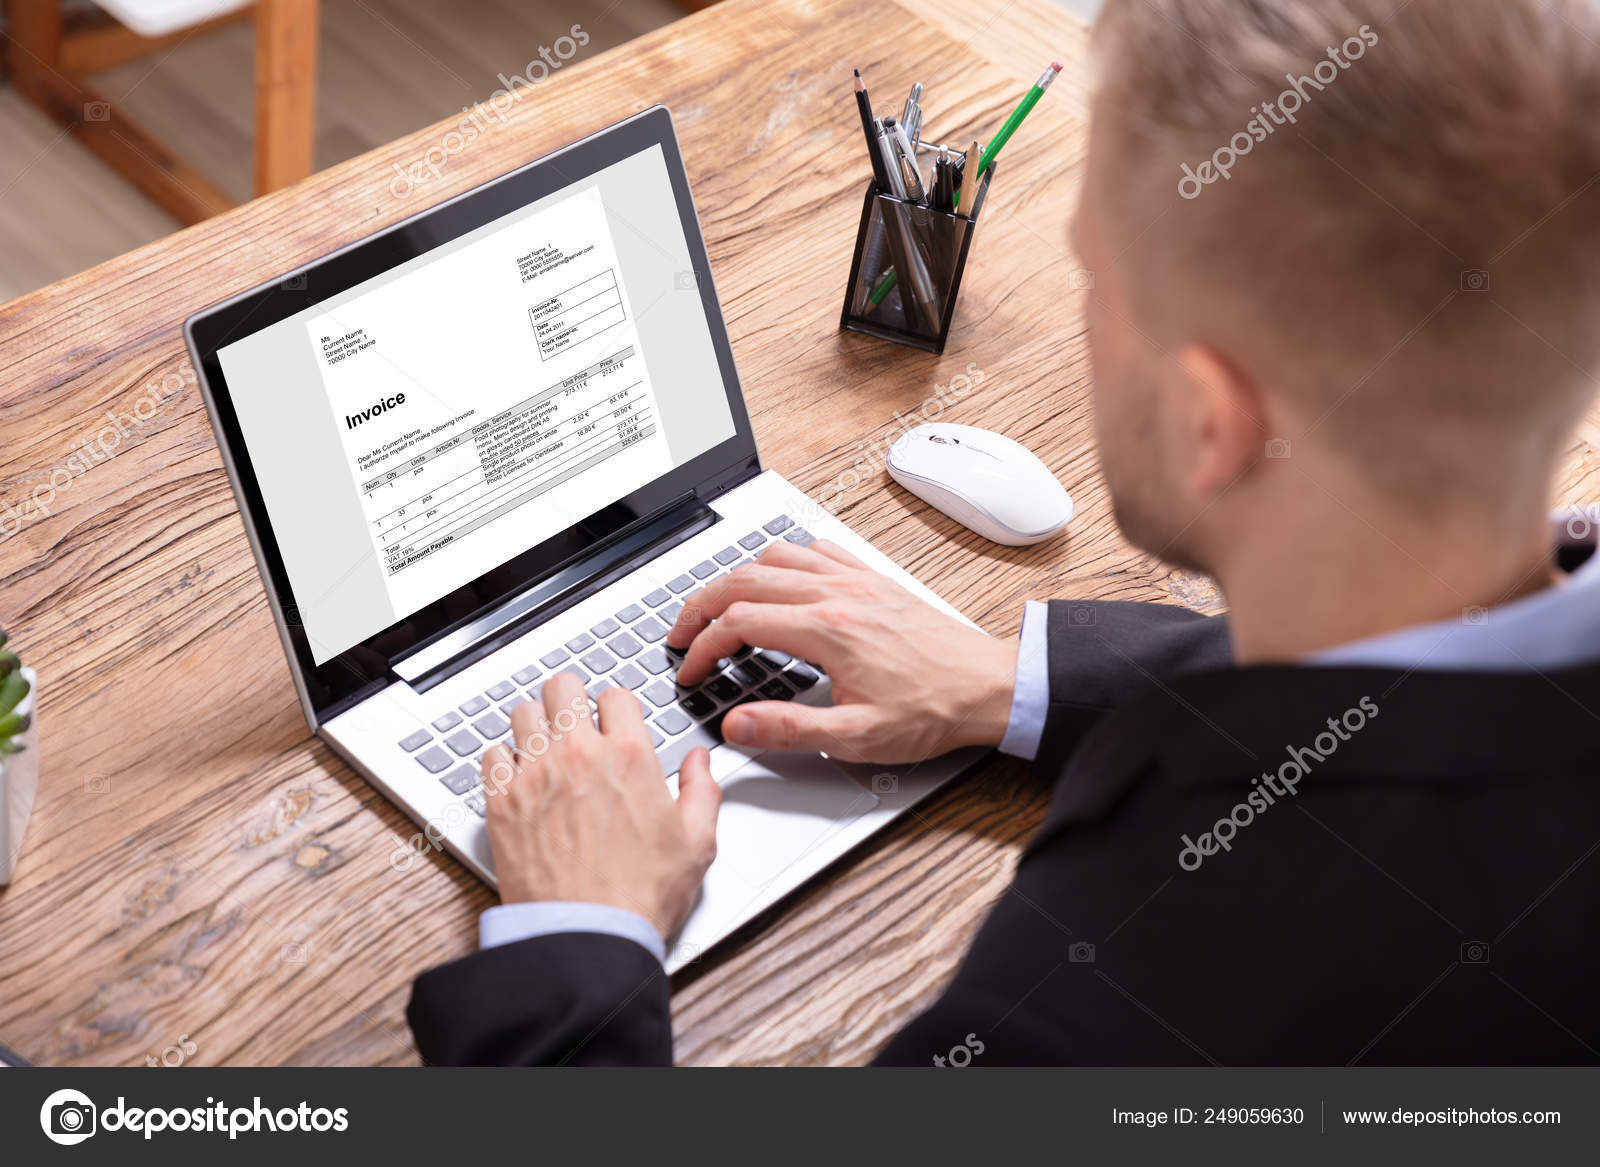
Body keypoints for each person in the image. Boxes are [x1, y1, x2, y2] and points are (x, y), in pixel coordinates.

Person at [407, 0, 1600, 1065]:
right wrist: (1012, 680)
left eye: (1094, 274)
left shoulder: (1119, 1005)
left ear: (1207, 420)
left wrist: (578, 941)